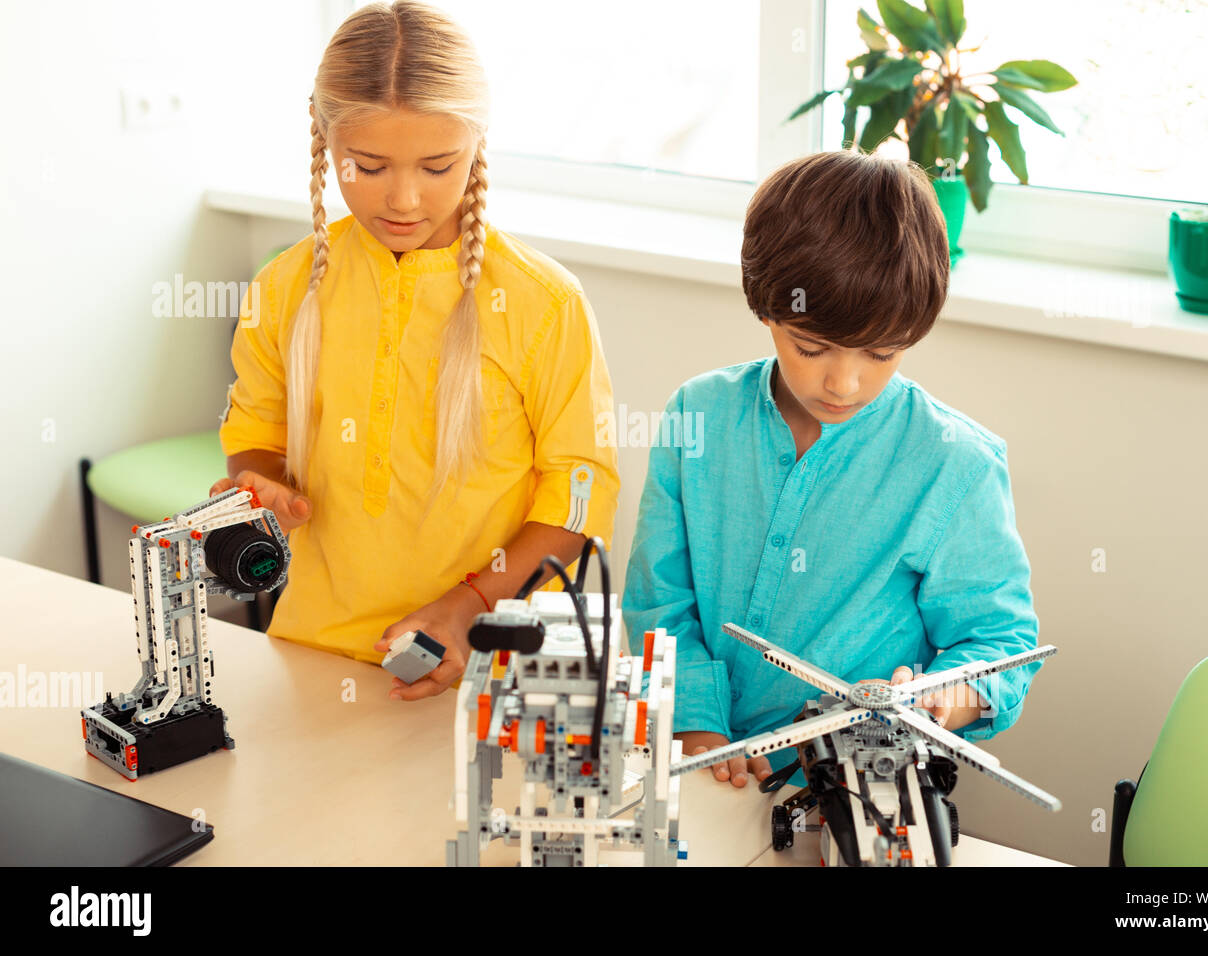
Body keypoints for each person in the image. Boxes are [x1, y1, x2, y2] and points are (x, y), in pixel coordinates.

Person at [211, 1, 618, 699]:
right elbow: (254, 437)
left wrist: (468, 606)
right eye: (367, 166)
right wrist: (262, 486)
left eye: (438, 166)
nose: (402, 198)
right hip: (310, 656)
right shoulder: (283, 287)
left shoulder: (545, 303)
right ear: (324, 139)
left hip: (479, 669)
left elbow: (578, 500)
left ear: (478, 143)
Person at [623, 150, 1042, 786]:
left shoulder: (957, 466)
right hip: (701, 771)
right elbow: (661, 601)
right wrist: (696, 728)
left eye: (880, 354)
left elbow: (1002, 644)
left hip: (856, 794)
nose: (843, 383)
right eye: (810, 348)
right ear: (766, 308)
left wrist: (943, 699)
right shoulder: (698, 416)